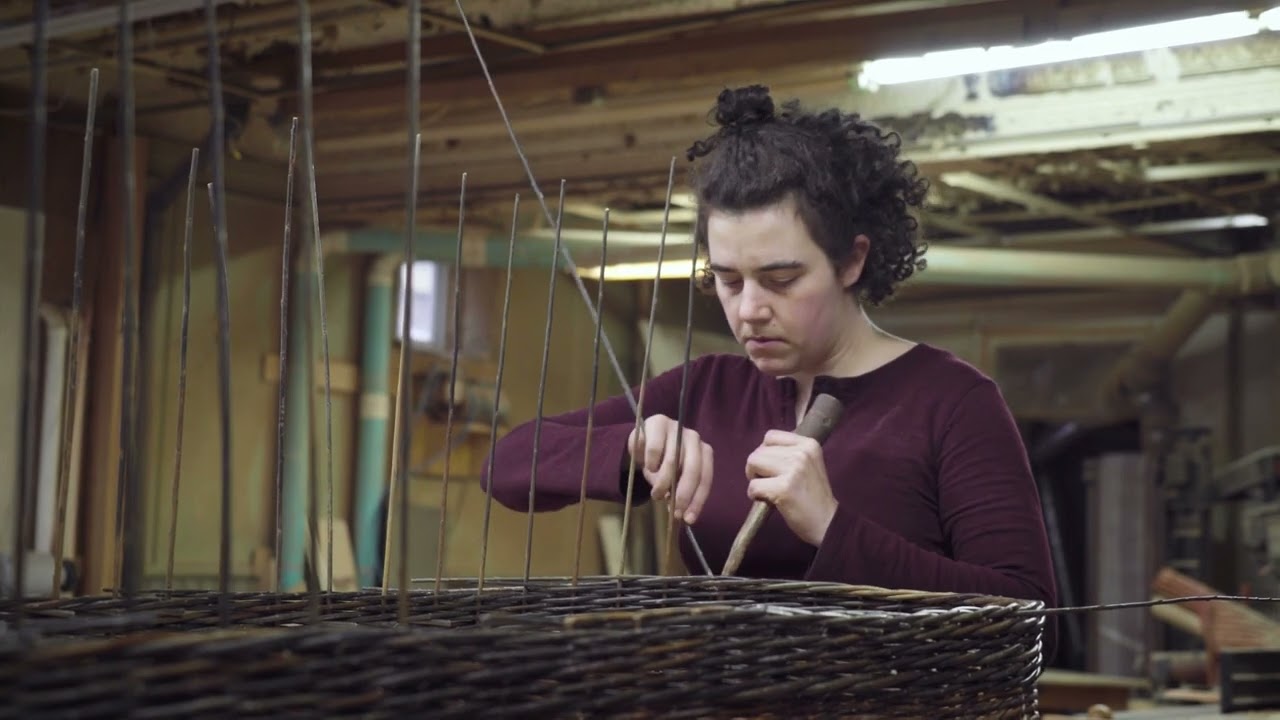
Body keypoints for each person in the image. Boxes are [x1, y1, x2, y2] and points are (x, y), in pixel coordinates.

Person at [480, 84, 1057, 658]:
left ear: (853, 260)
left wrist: (833, 528)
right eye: (728, 280)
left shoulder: (951, 402)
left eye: (781, 280)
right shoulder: (708, 388)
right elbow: (505, 465)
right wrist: (626, 447)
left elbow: (1032, 619)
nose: (749, 309)